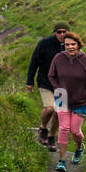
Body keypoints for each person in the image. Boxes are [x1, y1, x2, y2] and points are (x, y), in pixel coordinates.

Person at [48, 32, 86, 172]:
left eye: (73, 44)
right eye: (67, 45)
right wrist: (57, 88)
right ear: (64, 46)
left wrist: (84, 94)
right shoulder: (58, 58)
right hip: (61, 98)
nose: (70, 47)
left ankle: (79, 148)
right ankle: (62, 160)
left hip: (80, 101)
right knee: (64, 128)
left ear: (78, 44)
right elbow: (51, 76)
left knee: (75, 131)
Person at [26, 23, 69, 151]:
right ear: (54, 32)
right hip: (45, 82)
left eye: (64, 32)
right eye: (59, 32)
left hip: (62, 85)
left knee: (59, 112)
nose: (62, 34)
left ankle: (51, 138)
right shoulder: (45, 44)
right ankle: (43, 128)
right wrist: (30, 81)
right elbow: (34, 62)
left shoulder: (70, 45)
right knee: (50, 108)